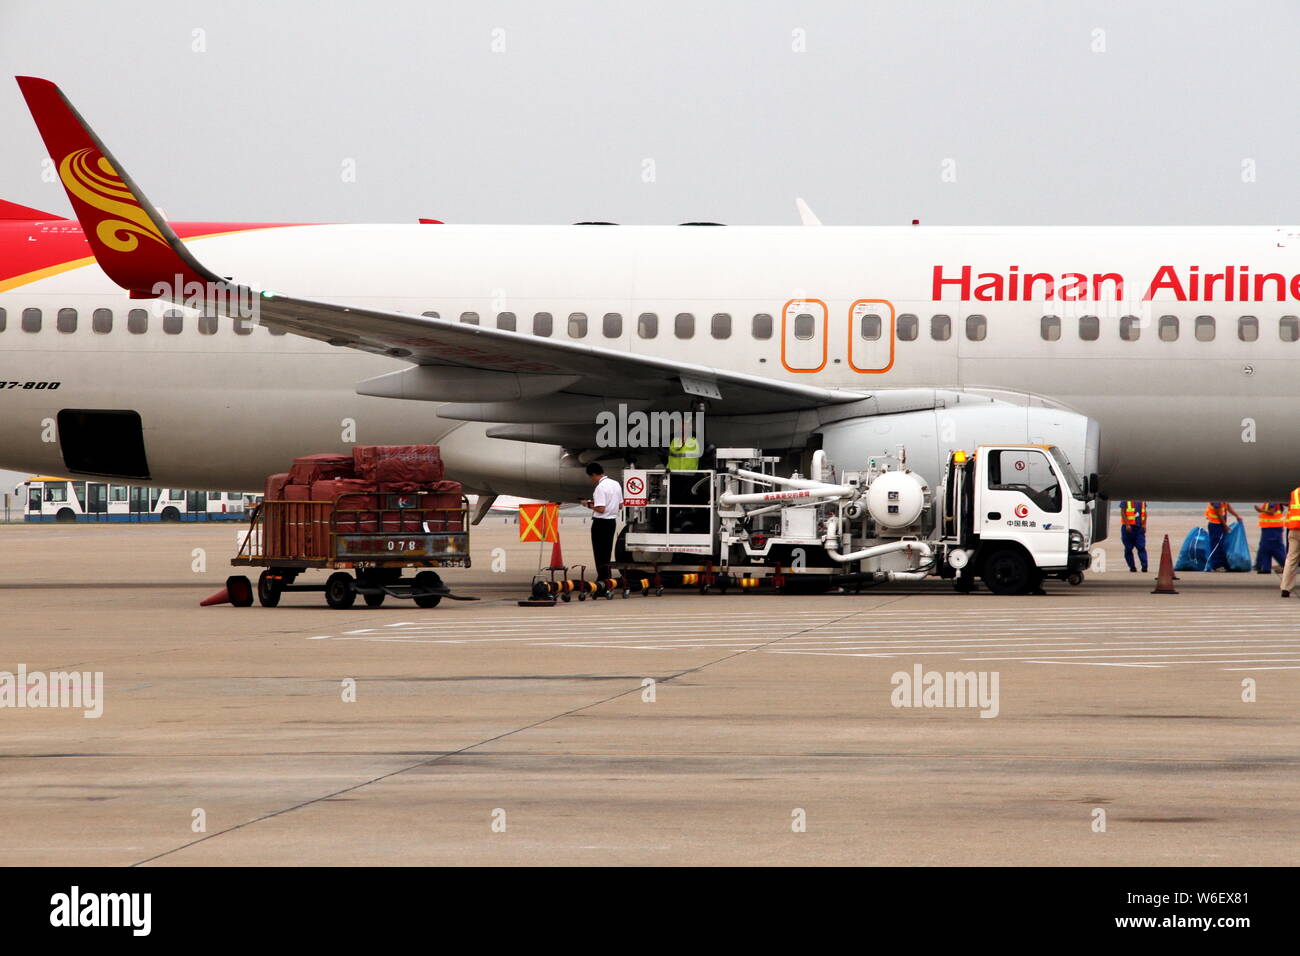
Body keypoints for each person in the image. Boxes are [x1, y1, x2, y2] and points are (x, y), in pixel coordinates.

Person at [581, 462, 623, 580]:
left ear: (594, 474)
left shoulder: (600, 487)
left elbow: (600, 509)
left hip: (600, 523)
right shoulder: (616, 484)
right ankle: (607, 576)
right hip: (611, 522)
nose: (591, 480)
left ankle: (602, 578)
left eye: (591, 477)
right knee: (607, 551)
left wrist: (587, 504)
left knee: (599, 552)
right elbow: (620, 506)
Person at [1204, 501, 1242, 571]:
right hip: (1215, 524)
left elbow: (1228, 506)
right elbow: (1217, 511)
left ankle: (1222, 564)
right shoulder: (1217, 499)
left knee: (1221, 545)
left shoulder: (1223, 497)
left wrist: (1237, 515)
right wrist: (1224, 525)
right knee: (1216, 545)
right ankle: (1216, 566)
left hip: (1219, 524)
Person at [1254, 502, 1288, 574]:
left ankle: (1286, 565)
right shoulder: (1269, 500)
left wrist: (1260, 510)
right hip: (1269, 528)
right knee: (1266, 549)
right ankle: (1266, 568)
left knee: (1275, 549)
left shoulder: (1272, 500)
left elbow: (1272, 512)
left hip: (1272, 529)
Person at [1119, 499, 1148, 573]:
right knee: (1128, 548)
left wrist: (1144, 524)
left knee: (1141, 546)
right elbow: (1122, 512)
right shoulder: (1125, 499)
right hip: (1128, 528)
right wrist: (1127, 524)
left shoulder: (1142, 500)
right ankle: (1132, 566)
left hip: (1139, 528)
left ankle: (1144, 566)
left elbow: (1144, 512)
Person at [1281, 488, 1300, 597]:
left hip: (1294, 529)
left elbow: (1288, 505)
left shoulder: (1295, 492)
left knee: (1291, 559)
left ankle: (1285, 588)